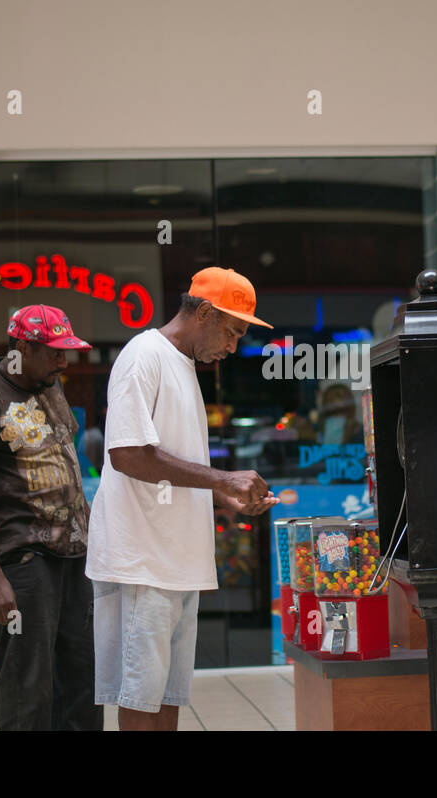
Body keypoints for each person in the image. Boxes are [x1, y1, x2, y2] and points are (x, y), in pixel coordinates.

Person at [88, 267, 278, 731]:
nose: (233, 348)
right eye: (232, 332)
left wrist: (222, 493)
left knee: (167, 696)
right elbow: (129, 455)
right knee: (139, 696)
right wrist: (222, 478)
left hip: (175, 562)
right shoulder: (143, 355)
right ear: (206, 313)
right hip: (142, 561)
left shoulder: (184, 366)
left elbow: (172, 464)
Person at [0, 304, 103, 731]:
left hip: (75, 558)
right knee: (28, 690)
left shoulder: (49, 383)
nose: (63, 361)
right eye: (54, 352)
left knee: (83, 683)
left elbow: (66, 466)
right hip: (23, 562)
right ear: (22, 347)